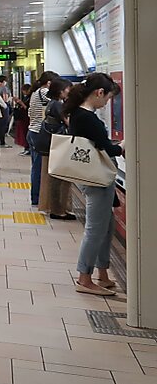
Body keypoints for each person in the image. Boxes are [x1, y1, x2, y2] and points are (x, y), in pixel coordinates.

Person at [66, 73, 124, 296]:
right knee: (95, 228)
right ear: (99, 93)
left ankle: (103, 273)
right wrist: (123, 145)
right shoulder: (87, 117)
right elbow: (107, 148)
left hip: (90, 175)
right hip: (95, 178)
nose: (107, 103)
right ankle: (84, 277)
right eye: (108, 98)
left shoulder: (78, 114)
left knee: (106, 226)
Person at [36, 79, 74, 220]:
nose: (69, 91)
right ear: (61, 90)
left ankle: (52, 207)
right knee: (57, 178)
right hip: (58, 144)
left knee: (51, 176)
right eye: (67, 89)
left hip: (50, 143)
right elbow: (68, 123)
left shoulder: (51, 103)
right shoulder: (58, 105)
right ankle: (57, 209)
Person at [27, 71, 61, 206]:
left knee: (36, 167)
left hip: (33, 131)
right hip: (39, 133)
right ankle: (37, 198)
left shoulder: (35, 93)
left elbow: (30, 112)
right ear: (49, 83)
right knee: (39, 168)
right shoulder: (44, 92)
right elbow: (55, 106)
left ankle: (37, 197)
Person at [0, 76, 14, 149]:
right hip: (4, 107)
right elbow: (5, 99)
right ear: (4, 81)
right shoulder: (4, 88)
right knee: (4, 125)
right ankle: (2, 141)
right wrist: (11, 98)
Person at [14, 83, 33, 153]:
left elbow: (28, 108)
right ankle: (26, 147)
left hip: (27, 117)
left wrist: (21, 103)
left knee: (26, 132)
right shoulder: (26, 97)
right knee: (23, 132)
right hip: (23, 117)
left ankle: (28, 148)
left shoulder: (31, 98)